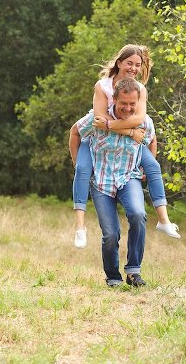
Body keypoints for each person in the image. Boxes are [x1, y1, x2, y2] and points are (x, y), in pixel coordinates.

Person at [72, 44, 180, 249]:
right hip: (99, 136)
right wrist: (129, 131)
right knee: (82, 169)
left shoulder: (139, 89)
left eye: (138, 65)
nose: (133, 68)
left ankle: (164, 220)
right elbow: (100, 120)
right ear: (119, 62)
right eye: (129, 63)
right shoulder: (103, 86)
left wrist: (127, 130)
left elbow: (139, 118)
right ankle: (79, 226)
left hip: (129, 143)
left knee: (154, 167)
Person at [69, 78, 156, 287]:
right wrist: (78, 164)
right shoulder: (97, 119)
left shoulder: (144, 122)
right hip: (101, 180)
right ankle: (113, 277)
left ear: (138, 102)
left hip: (129, 177)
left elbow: (152, 140)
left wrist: (147, 165)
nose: (127, 108)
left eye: (132, 104)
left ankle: (134, 271)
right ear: (114, 100)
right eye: (123, 103)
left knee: (138, 214)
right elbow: (74, 132)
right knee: (110, 234)